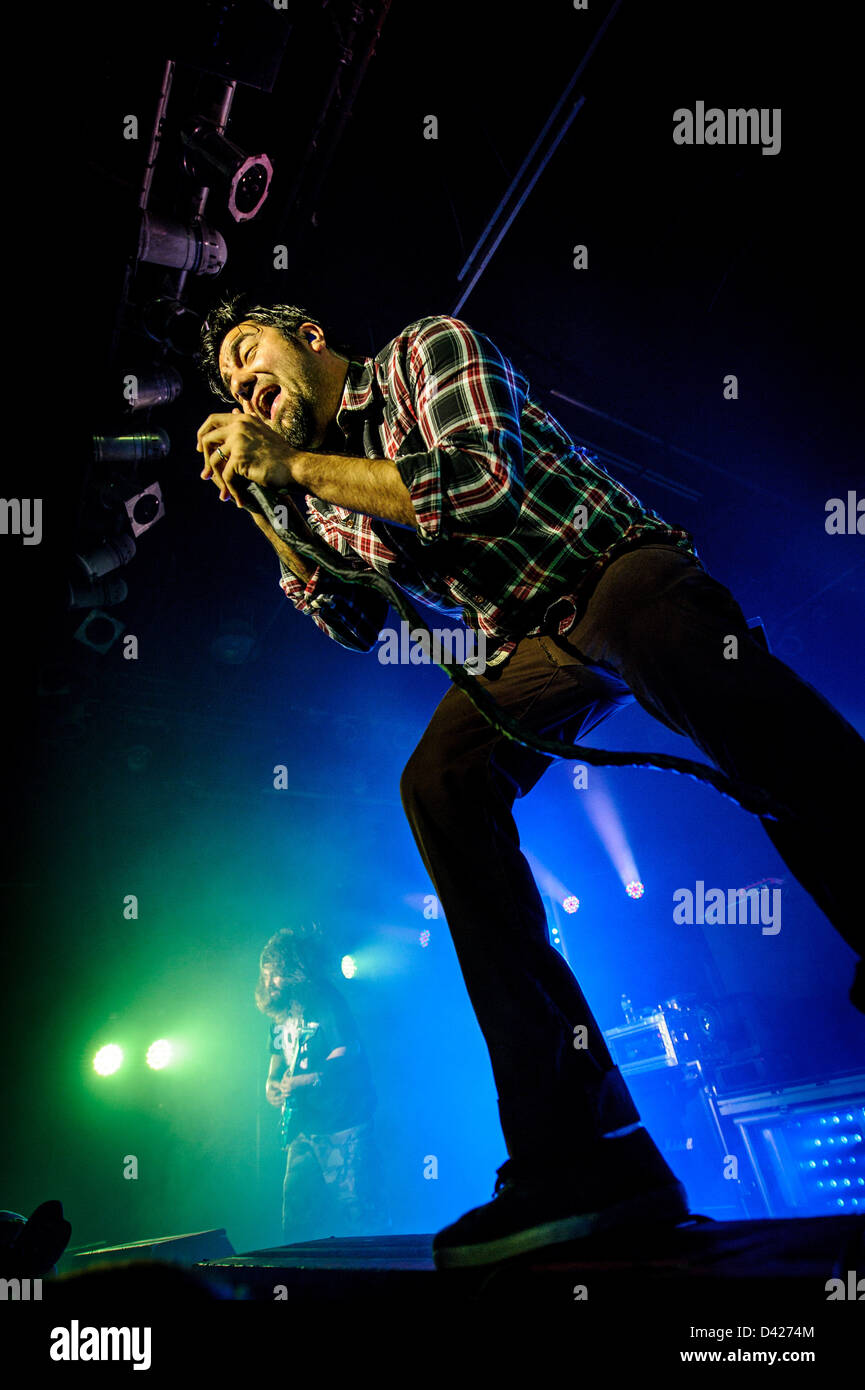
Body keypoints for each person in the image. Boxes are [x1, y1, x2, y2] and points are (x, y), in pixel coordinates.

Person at [198, 297, 865, 1268]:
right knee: (439, 783)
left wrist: (291, 469)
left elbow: (477, 485)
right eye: (227, 386)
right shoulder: (320, 487)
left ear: (307, 337)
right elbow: (348, 618)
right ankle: (581, 1147)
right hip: (532, 647)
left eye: (247, 353)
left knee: (729, 698)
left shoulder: (424, 350)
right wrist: (268, 505)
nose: (241, 385)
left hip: (613, 568)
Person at [255, 927, 385, 1244]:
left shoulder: (326, 999)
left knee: (360, 1214)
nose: (270, 983)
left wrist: (308, 1079)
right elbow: (277, 1051)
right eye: (266, 975)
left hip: (343, 1123)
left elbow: (347, 1050)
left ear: (295, 971)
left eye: (276, 975)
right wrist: (271, 1082)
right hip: (303, 1126)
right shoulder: (281, 1008)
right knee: (297, 1217)